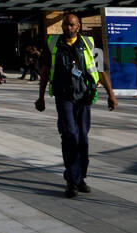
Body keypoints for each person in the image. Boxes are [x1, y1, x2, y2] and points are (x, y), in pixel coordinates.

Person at [35, 12, 117, 199]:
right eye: (65, 25)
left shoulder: (89, 44)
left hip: (84, 97)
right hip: (63, 97)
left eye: (71, 25)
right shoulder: (53, 44)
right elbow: (46, 72)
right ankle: (71, 181)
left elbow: (100, 70)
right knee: (70, 135)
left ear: (78, 26)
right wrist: (40, 97)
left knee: (83, 139)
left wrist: (111, 95)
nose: (68, 28)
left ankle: (79, 177)